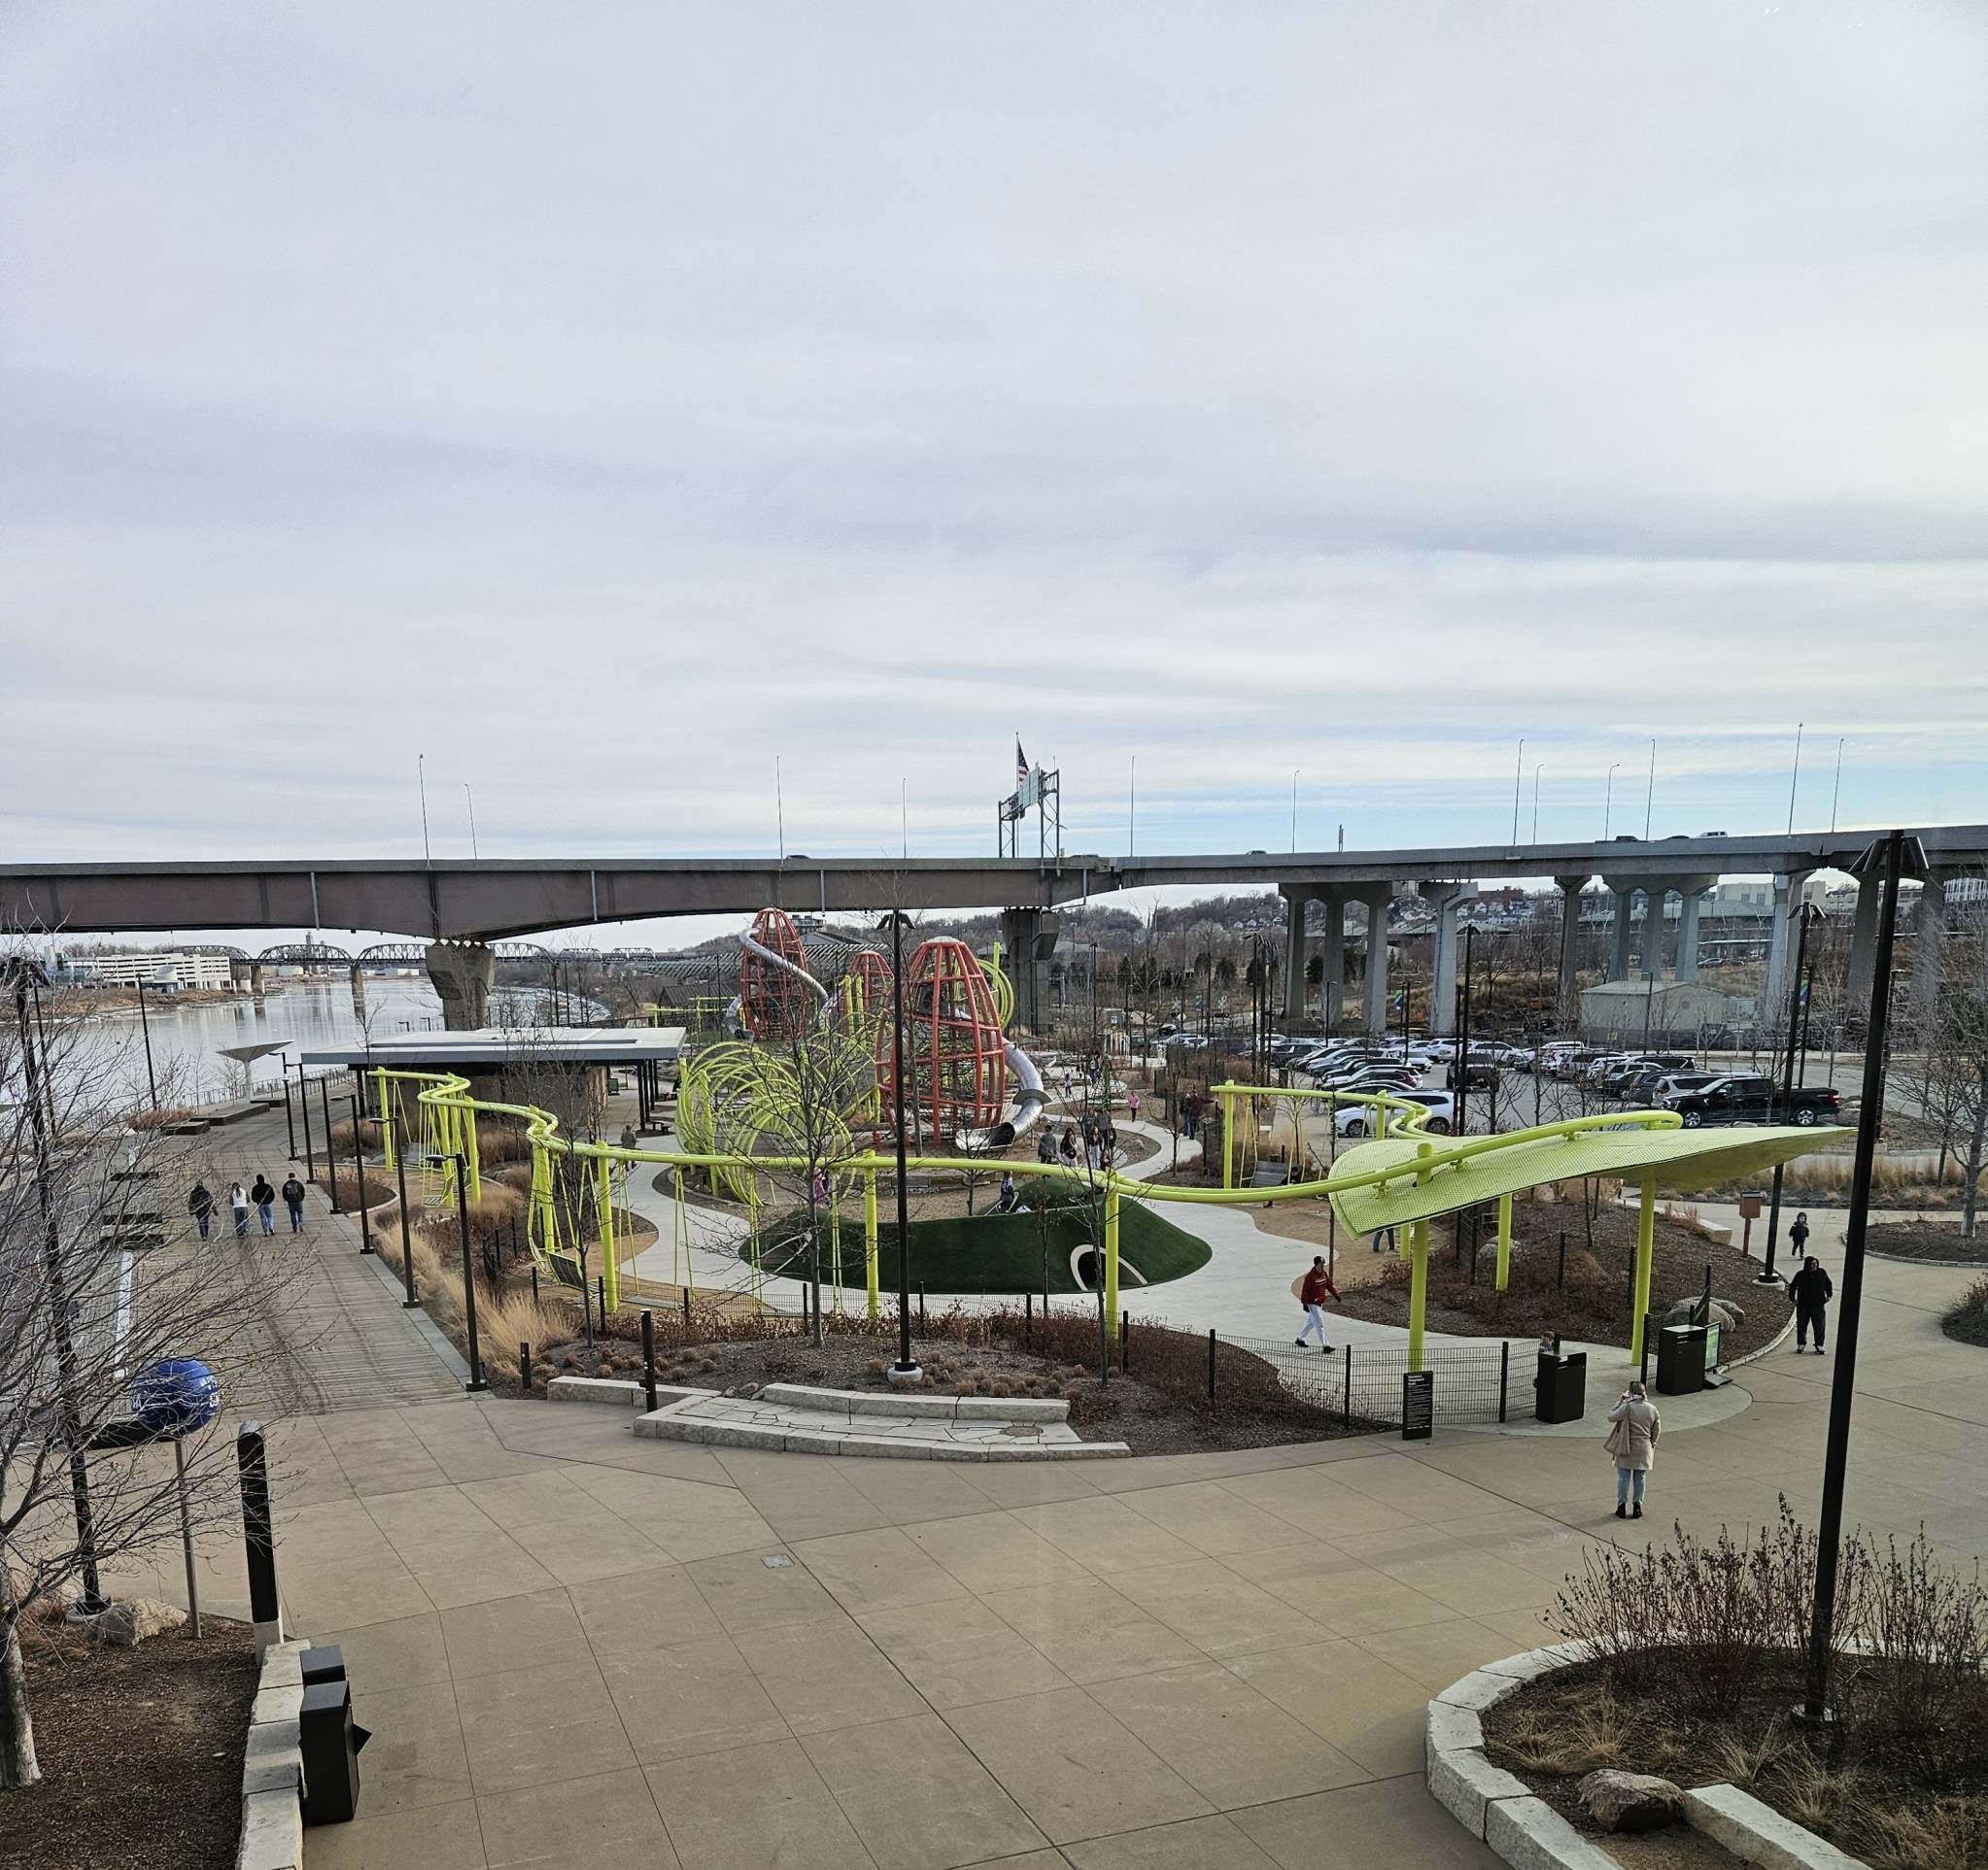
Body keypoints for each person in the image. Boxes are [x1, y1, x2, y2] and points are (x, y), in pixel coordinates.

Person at [1605, 1379, 1661, 1518]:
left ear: (1630, 1392)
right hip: (1644, 1446)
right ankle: (1637, 1506)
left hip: (1626, 1446)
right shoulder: (1652, 1408)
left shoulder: (1628, 1407)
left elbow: (1611, 1417)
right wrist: (1652, 1442)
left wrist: (1620, 1401)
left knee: (1623, 1477)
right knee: (1640, 1477)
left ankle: (1621, 1506)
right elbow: (1657, 1428)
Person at [1788, 1254, 1834, 1352]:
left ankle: (1819, 1344)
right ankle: (1801, 1344)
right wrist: (1793, 1299)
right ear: (1808, 1264)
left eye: (1816, 1263)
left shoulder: (1821, 1273)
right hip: (1803, 1305)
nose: (1815, 1265)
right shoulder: (1801, 1275)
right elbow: (1793, 1286)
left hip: (1818, 1305)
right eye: (1813, 1264)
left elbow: (1828, 1284)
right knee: (1801, 1325)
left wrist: (1829, 1295)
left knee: (1819, 1326)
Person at [1295, 1255, 1339, 1350]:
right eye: (1320, 1264)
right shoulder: (1310, 1277)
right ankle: (1325, 1345)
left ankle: (1300, 1338)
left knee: (1311, 1322)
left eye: (1323, 1264)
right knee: (1319, 1324)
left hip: (1320, 1302)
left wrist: (1336, 1295)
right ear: (1316, 1264)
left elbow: (1329, 1286)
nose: (1322, 1266)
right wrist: (1305, 1304)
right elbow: (1305, 1291)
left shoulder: (1324, 1274)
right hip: (1312, 1303)